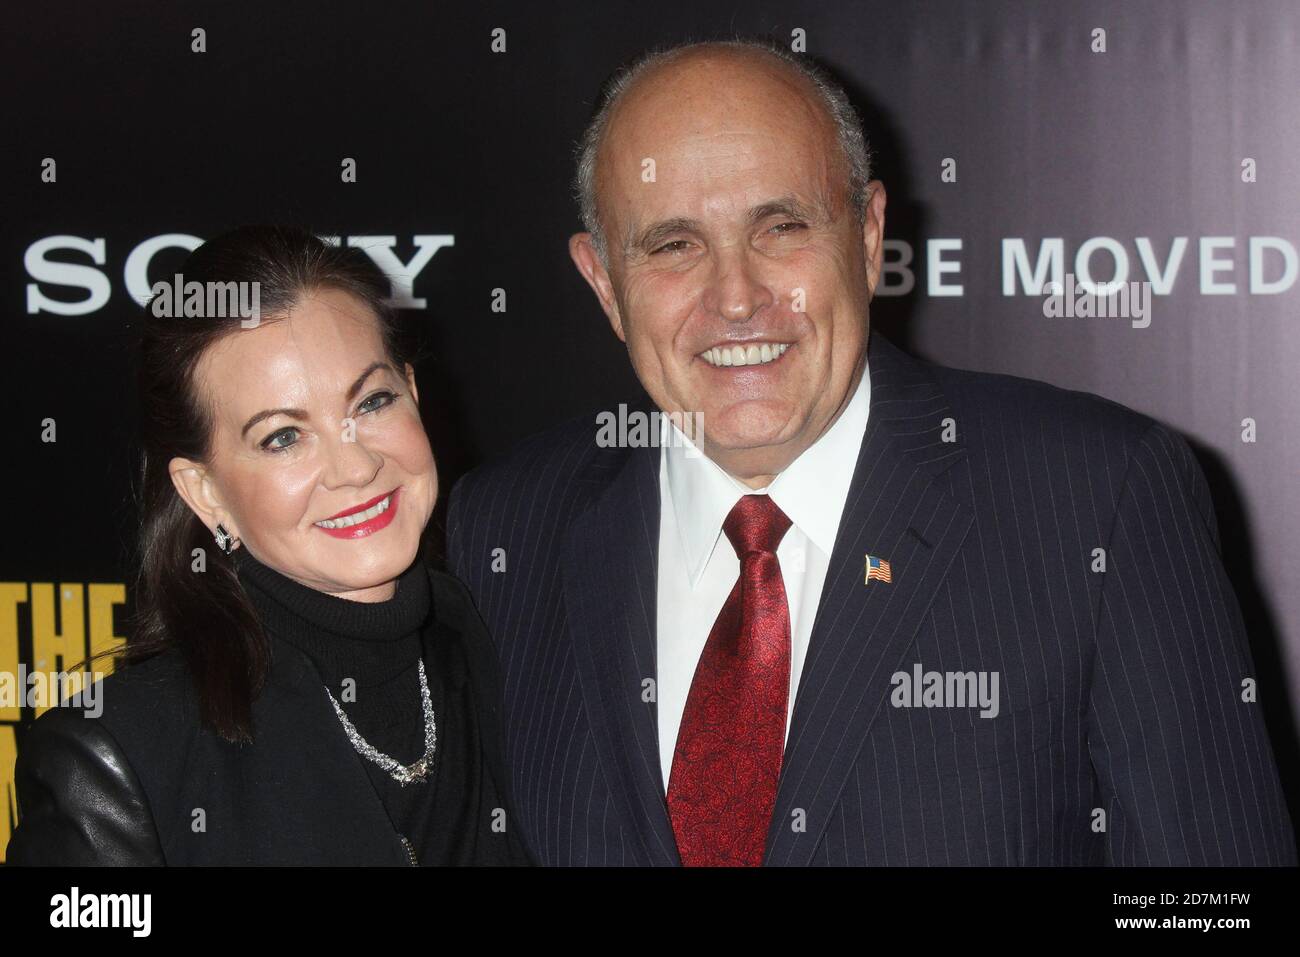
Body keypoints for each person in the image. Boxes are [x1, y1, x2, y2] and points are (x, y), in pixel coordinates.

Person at [445, 39, 1297, 866]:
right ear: (602, 281)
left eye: (781, 227)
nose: (736, 297)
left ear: (868, 235)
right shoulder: (507, 530)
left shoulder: (1095, 499)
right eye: (673, 245)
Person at [7, 225, 531, 866]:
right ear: (205, 493)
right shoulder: (119, 759)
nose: (354, 467)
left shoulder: (518, 651)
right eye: (283, 437)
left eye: (372, 401)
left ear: (414, 394)